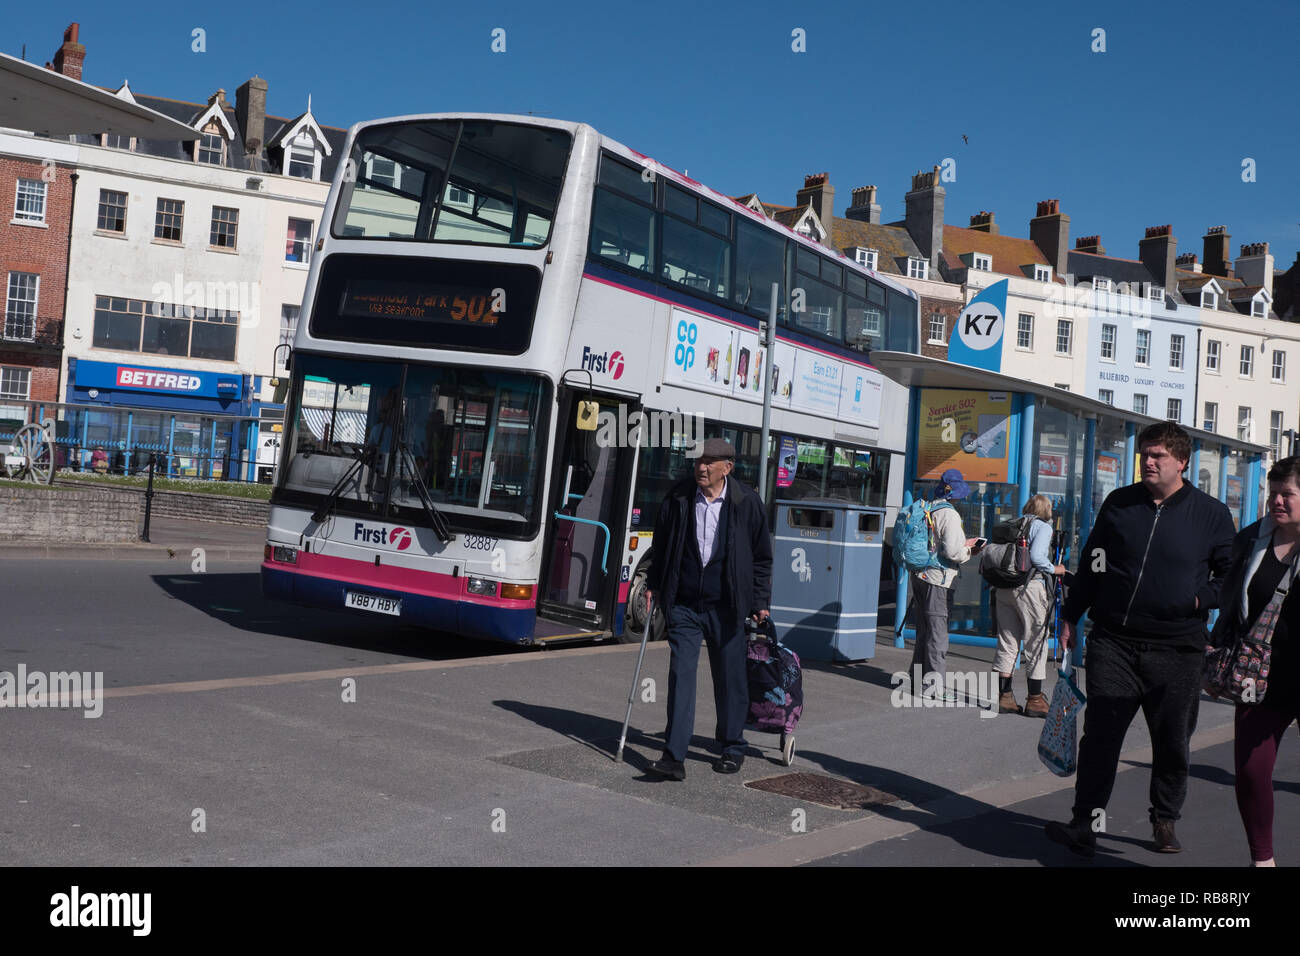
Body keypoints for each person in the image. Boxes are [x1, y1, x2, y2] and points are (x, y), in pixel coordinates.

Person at [1045, 421, 1235, 857]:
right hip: (1114, 641)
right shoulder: (1120, 503)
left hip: (1178, 647)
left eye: (1158, 456)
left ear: (1182, 462)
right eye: (1145, 455)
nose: (1148, 462)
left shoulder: (1211, 514)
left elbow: (1227, 578)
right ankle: (1085, 823)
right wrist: (1072, 614)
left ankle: (1164, 821)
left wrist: (1195, 599)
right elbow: (1094, 563)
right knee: (1101, 738)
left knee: (1171, 741)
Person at [643, 437, 773, 780]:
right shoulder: (679, 497)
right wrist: (654, 585)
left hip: (726, 604)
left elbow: (762, 558)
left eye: (709, 462)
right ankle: (674, 756)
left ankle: (732, 746)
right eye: (698, 461)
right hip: (685, 603)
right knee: (681, 675)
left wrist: (760, 602)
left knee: (729, 678)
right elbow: (662, 544)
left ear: (726, 468)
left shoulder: (747, 503)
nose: (701, 467)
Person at [1210, 456, 1300, 866]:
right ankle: (1262, 860)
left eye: (1288, 495)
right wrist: (1216, 642)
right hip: (1260, 674)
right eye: (1273, 493)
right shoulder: (1251, 540)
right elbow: (1230, 597)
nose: (1277, 502)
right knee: (1250, 771)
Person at [910, 468, 981, 701]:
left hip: (920, 576)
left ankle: (916, 680)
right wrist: (970, 549)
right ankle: (934, 686)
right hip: (938, 580)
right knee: (937, 635)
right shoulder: (949, 514)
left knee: (924, 630)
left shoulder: (928, 507)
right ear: (955, 493)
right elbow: (952, 551)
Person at [993, 495, 1067, 716]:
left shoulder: (1014, 523)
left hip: (1004, 587)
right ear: (1047, 510)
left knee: (1007, 641)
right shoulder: (1042, 527)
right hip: (1030, 588)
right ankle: (1035, 700)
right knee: (1036, 642)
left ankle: (1004, 697)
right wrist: (1056, 569)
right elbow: (1036, 557)